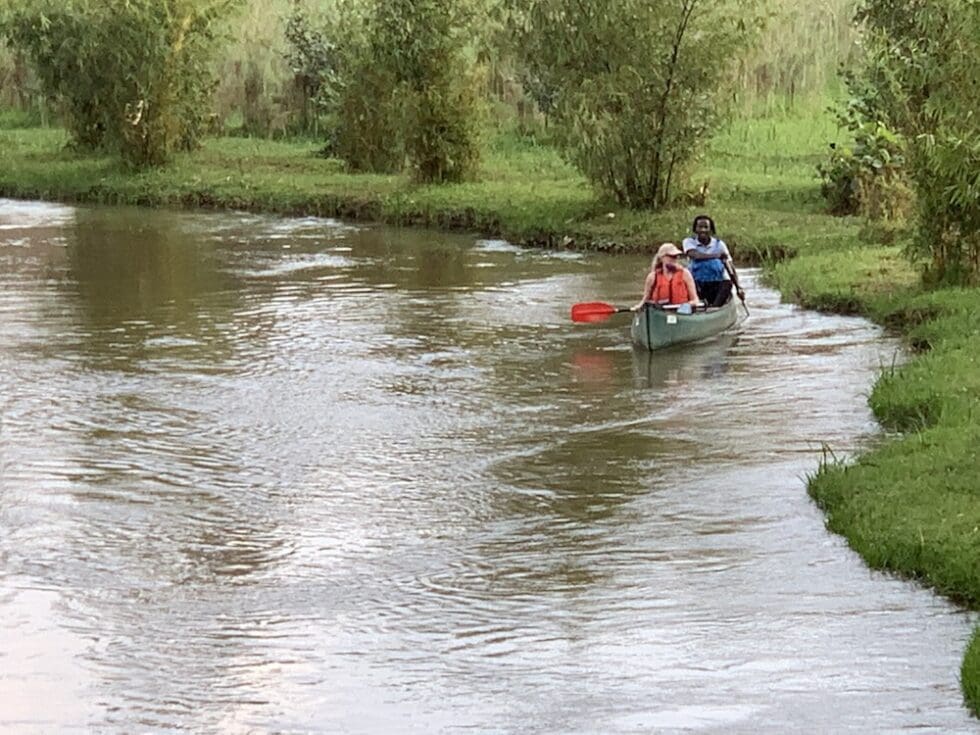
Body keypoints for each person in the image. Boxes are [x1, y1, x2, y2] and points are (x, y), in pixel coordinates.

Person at [682, 214, 744, 307]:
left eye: (706, 227)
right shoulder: (689, 241)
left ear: (711, 230)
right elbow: (694, 255)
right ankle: (699, 304)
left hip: (715, 284)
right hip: (697, 284)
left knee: (727, 284)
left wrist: (738, 287)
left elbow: (730, 267)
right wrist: (717, 255)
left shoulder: (719, 244)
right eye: (700, 227)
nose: (703, 230)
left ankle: (714, 308)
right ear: (695, 229)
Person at [631, 242, 700, 312]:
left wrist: (687, 305)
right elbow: (645, 301)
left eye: (676, 256)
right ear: (662, 258)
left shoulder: (685, 274)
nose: (675, 259)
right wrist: (638, 307)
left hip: (681, 313)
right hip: (659, 313)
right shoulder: (652, 277)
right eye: (671, 256)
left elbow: (695, 300)